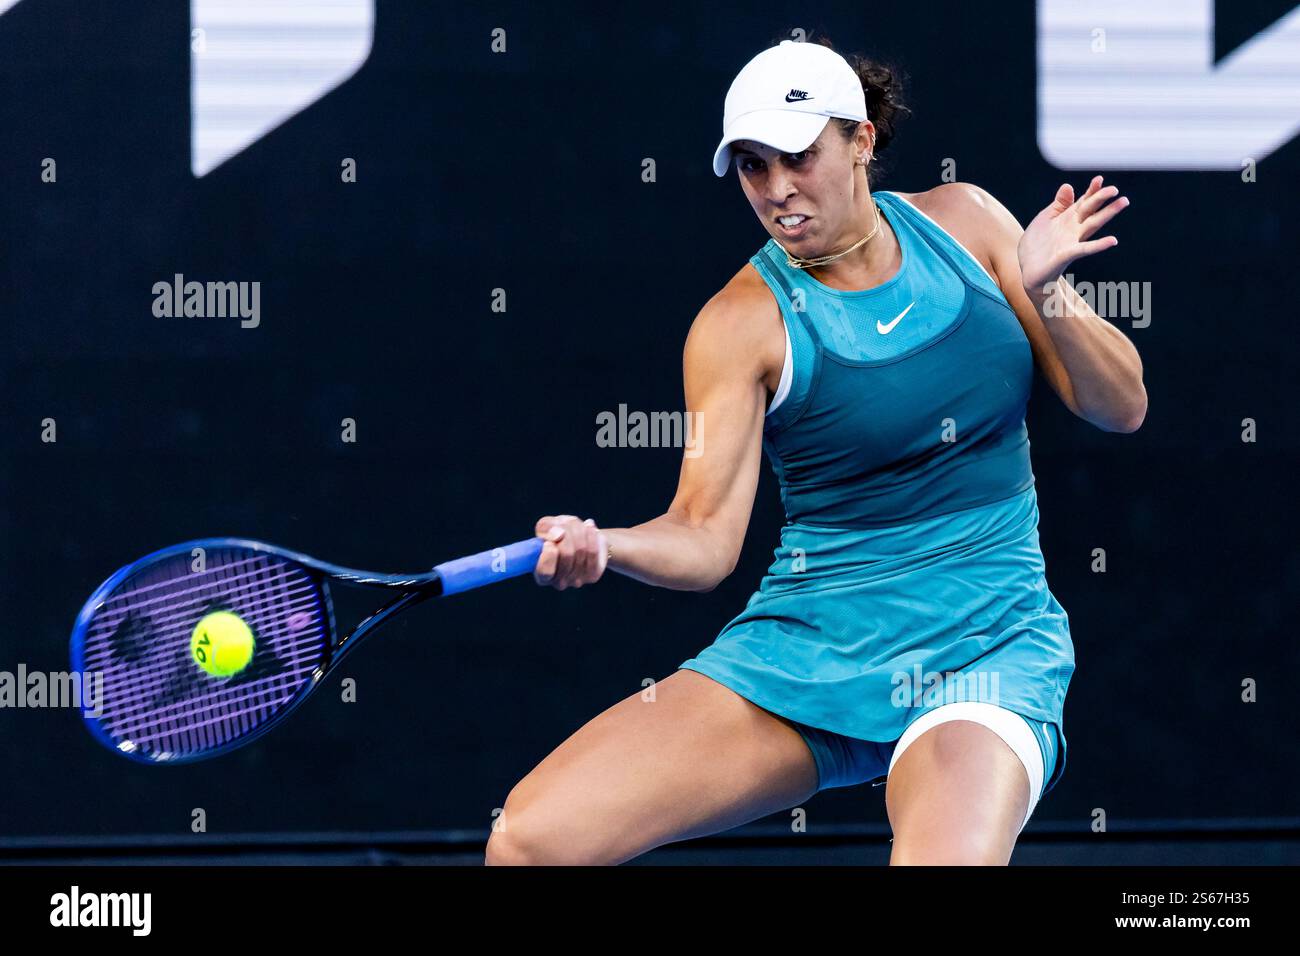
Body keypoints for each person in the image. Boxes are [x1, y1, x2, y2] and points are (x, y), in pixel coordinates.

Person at [486, 36, 1145, 866]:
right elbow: (702, 536)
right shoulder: (738, 323)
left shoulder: (969, 224)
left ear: (861, 141)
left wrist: (1049, 293)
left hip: (988, 644)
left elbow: (1121, 406)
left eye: (797, 157)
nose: (777, 191)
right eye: (753, 168)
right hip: (812, 646)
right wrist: (605, 544)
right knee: (529, 842)